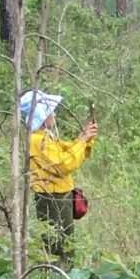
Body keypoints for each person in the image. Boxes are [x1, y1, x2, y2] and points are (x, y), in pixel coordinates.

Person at [18, 90, 98, 249]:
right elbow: (64, 164)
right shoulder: (37, 140)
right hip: (53, 199)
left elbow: (66, 149)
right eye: (50, 112)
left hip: (59, 198)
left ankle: (61, 272)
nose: (54, 115)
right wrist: (83, 140)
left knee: (64, 243)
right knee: (60, 248)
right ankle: (60, 273)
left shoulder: (46, 137)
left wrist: (85, 138)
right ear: (41, 115)